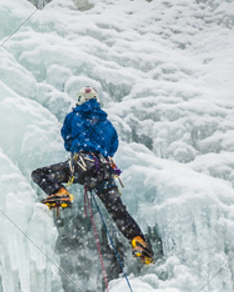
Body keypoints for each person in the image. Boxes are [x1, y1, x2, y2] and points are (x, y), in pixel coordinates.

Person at [32, 87, 153, 265]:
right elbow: (113, 147)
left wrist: (79, 145)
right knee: (118, 211)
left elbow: (67, 139)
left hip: (82, 165)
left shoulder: (74, 116)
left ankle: (60, 192)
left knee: (40, 174)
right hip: (104, 171)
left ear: (80, 99)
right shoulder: (107, 124)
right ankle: (138, 240)